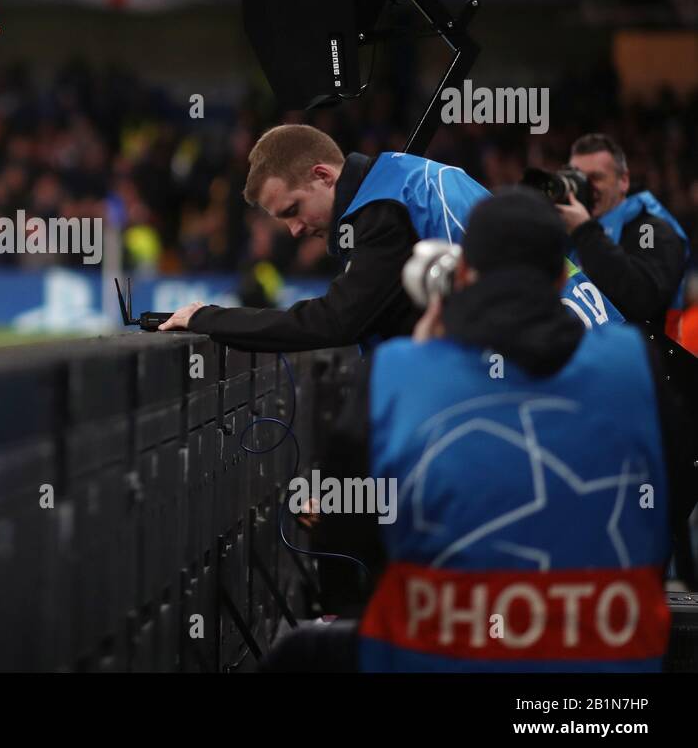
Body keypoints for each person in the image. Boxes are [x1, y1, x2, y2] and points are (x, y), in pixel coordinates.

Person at [267, 189, 693, 672]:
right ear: (560, 277)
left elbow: (351, 535)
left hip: (440, 655)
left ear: (464, 273)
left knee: (299, 654)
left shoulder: (396, 371)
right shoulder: (634, 362)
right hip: (605, 671)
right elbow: (674, 492)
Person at [159, 124, 621, 350]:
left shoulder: (381, 211)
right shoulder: (402, 175)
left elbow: (333, 322)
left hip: (572, 357)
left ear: (323, 175)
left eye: (294, 210)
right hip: (599, 342)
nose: (295, 229)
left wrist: (208, 319)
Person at [557, 133, 691, 342]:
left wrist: (585, 231)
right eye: (577, 178)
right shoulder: (569, 232)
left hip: (647, 365)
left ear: (624, 181)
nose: (585, 187)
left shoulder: (653, 229)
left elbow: (644, 299)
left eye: (595, 178)